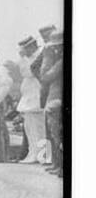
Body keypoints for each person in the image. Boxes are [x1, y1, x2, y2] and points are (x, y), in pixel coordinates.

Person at [16, 35, 46, 163]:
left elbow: (28, 72)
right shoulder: (28, 58)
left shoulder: (39, 56)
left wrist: (23, 58)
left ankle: (44, 156)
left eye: (25, 49)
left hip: (36, 96)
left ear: (32, 46)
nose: (24, 52)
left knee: (39, 128)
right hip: (29, 97)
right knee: (30, 128)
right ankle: (33, 153)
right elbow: (23, 72)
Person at [41, 28, 64, 176]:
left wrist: (47, 58)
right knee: (54, 135)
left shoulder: (60, 61)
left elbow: (45, 76)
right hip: (54, 100)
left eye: (56, 46)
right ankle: (57, 165)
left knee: (57, 135)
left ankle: (60, 166)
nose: (54, 48)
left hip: (56, 100)